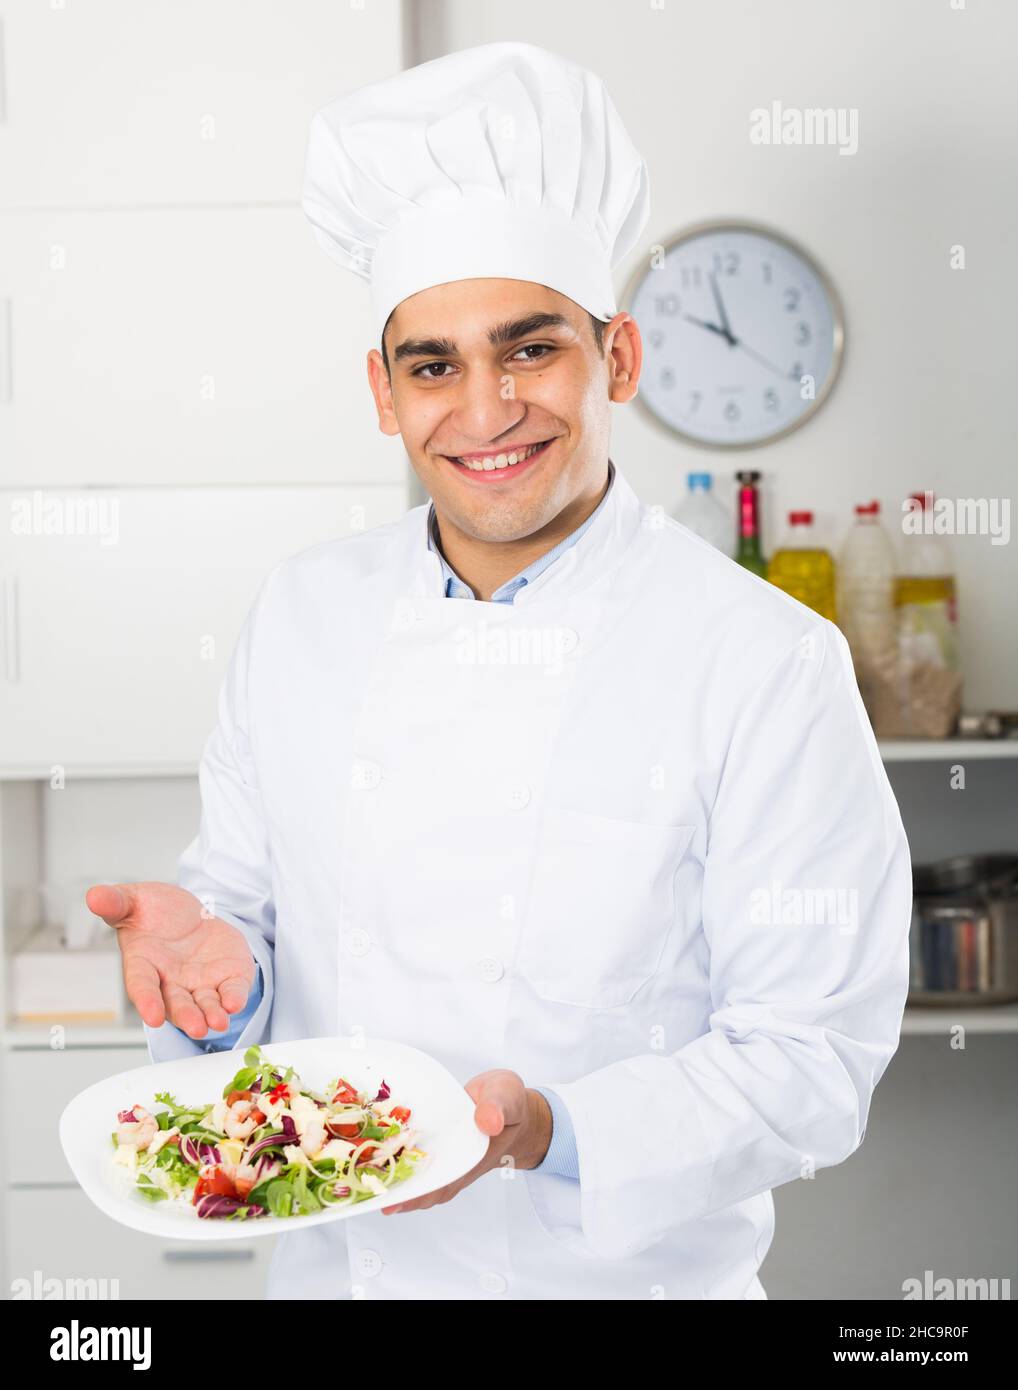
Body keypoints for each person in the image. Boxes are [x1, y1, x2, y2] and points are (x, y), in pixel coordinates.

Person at [87, 40, 911, 1301]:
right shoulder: (302, 612)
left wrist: (545, 1128)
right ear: (382, 391)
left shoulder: (763, 659)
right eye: (434, 364)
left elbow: (811, 1055)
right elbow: (239, 909)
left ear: (618, 358)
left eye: (531, 349)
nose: (483, 411)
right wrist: (217, 982)